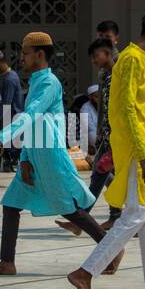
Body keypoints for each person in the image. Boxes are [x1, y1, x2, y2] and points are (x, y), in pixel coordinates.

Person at [0, 32, 120, 276]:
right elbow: (32, 124)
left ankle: (112, 251)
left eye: (25, 53)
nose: (22, 58)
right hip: (34, 155)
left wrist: (0, 137)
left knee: (70, 209)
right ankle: (7, 262)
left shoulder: (50, 83)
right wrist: (24, 159)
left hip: (50, 156)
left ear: (40, 54)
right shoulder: (36, 81)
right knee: (11, 204)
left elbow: (30, 114)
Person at [67, 10, 145, 289]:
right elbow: (129, 109)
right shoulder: (132, 59)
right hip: (134, 149)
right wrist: (144, 155)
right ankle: (84, 272)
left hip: (139, 146)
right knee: (135, 215)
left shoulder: (142, 57)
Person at [56, 38, 121, 233]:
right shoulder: (105, 76)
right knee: (100, 177)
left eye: (96, 56)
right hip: (107, 137)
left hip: (118, 138)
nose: (93, 60)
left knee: (112, 179)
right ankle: (93, 219)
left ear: (108, 52)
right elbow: (104, 110)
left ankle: (125, 220)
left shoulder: (120, 74)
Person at [0, 49, 25, 181]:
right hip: (12, 118)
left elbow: (6, 104)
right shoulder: (10, 76)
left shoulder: (9, 79)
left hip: (12, 119)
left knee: (17, 151)